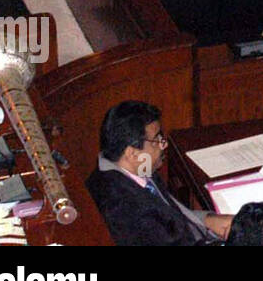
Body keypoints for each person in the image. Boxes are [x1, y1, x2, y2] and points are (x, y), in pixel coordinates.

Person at [84, 100, 232, 246]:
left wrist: (207, 220)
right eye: (156, 140)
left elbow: (171, 214)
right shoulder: (127, 210)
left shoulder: (133, 167)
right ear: (132, 153)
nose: (164, 144)